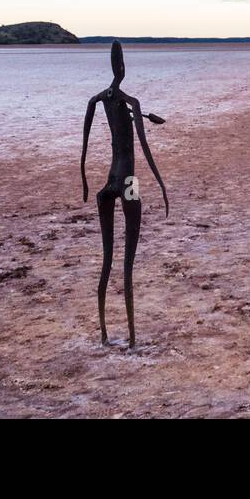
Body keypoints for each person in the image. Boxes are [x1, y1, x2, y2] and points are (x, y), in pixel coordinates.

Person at [80, 40, 169, 347]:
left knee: (107, 260)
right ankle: (131, 338)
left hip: (109, 181)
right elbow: (144, 150)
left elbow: (85, 143)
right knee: (127, 264)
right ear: (122, 68)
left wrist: (84, 182)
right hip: (128, 182)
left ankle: (105, 333)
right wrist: (161, 185)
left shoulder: (98, 99)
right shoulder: (131, 101)